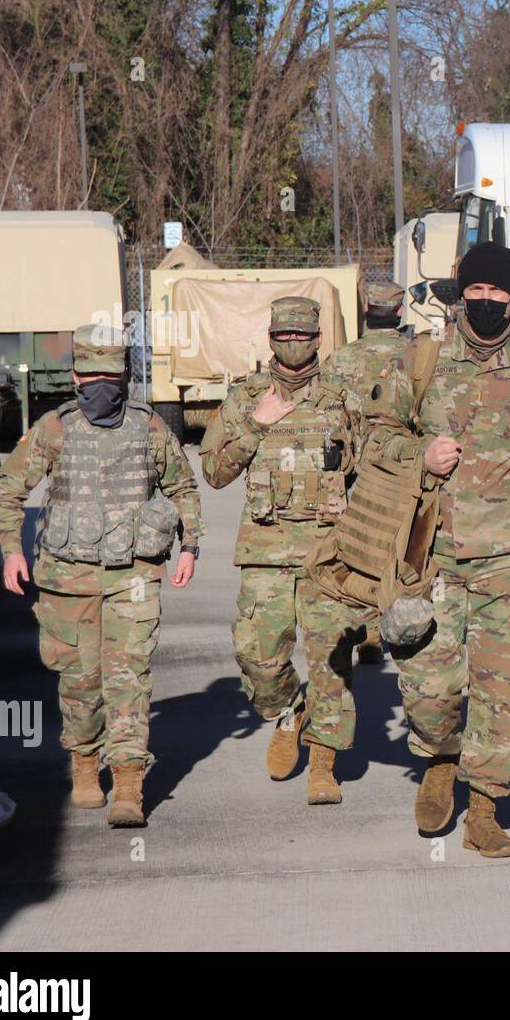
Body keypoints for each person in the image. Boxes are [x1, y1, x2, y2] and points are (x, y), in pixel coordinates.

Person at [368, 242, 510, 857]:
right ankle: (440, 758)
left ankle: (483, 809)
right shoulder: (422, 359)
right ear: (461, 294)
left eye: (498, 292)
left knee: (503, 692)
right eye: (476, 292)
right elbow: (375, 438)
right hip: (434, 558)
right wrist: (419, 456)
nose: (486, 302)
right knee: (430, 688)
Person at [0, 324, 201, 827]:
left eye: (113, 375)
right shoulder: (54, 429)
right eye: (93, 375)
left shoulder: (150, 428)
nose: (102, 384)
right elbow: (8, 491)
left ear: (125, 377)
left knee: (129, 679)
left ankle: (129, 785)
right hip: (67, 578)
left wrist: (190, 543)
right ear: (76, 375)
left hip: (134, 574)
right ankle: (85, 764)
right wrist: (10, 551)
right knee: (80, 683)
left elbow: (183, 487)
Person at [200, 296, 366, 805]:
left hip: (327, 556)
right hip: (266, 554)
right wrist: (257, 424)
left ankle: (323, 762)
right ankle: (289, 711)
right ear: (271, 340)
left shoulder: (344, 399)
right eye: (284, 337)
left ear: (319, 340)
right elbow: (214, 471)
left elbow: (368, 471)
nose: (293, 345)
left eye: (303, 337)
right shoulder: (246, 397)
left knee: (331, 664)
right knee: (258, 658)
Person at [321, 281, 410, 664]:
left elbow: (328, 410)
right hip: (402, 462)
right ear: (400, 312)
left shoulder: (342, 358)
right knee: (400, 544)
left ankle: (369, 625)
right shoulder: (415, 354)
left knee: (361, 542)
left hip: (358, 462)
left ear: (365, 310)